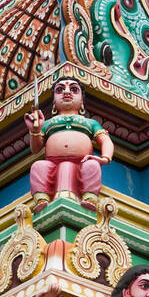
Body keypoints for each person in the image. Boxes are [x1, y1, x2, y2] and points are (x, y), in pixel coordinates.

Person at [24, 77, 113, 213]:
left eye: (74, 89)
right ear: (54, 101)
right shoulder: (48, 123)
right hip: (52, 163)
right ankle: (41, 198)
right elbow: (36, 149)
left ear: (82, 101)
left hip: (83, 162)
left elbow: (105, 140)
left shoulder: (89, 123)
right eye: (60, 90)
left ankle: (90, 198)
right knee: (38, 166)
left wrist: (105, 157)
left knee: (92, 166)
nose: (66, 92)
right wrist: (35, 131)